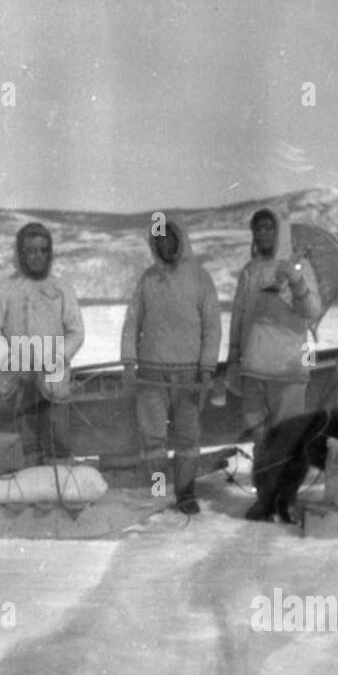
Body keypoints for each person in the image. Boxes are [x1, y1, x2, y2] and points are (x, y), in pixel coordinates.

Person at [225, 208, 322, 520]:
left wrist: (295, 280)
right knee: (261, 439)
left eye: (269, 228)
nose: (263, 234)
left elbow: (311, 310)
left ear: (280, 231)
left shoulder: (300, 266)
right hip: (254, 366)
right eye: (258, 229)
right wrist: (233, 360)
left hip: (288, 369)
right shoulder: (250, 271)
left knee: (289, 439)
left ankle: (287, 499)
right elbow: (239, 318)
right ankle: (266, 499)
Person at [120, 217, 222, 514]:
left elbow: (212, 327)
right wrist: (129, 363)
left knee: (188, 437)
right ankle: (157, 491)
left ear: (180, 240)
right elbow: (131, 324)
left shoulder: (200, 279)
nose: (165, 244)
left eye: (169, 238)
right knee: (152, 437)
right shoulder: (148, 279)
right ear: (155, 244)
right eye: (159, 240)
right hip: (151, 375)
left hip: (188, 375)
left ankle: (186, 494)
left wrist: (207, 369)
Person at [0, 222, 85, 465]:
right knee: (23, 449)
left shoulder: (62, 288)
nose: (37, 256)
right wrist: (11, 362)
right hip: (18, 385)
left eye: (42, 250)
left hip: (52, 382)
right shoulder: (5, 290)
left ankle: (58, 496)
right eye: (31, 250)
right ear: (21, 253)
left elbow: (76, 332)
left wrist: (56, 359)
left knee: (57, 446)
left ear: (49, 253)